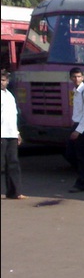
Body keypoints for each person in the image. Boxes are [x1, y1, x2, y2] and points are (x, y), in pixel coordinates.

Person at [1, 69, 26, 200]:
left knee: (13, 162)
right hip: (1, 134)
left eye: (3, 80)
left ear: (7, 81)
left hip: (11, 133)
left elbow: (13, 116)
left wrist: (17, 133)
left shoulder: (10, 95)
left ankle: (14, 192)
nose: (1, 82)